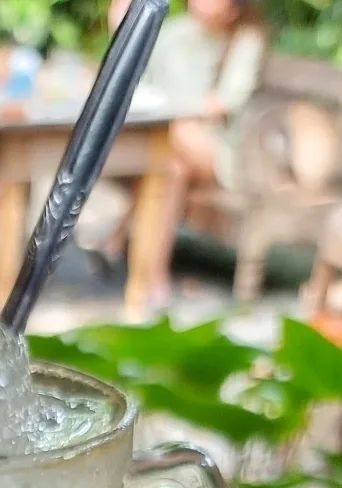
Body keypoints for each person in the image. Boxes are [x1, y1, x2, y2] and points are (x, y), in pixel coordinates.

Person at [89, 0, 266, 305]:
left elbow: (224, 102)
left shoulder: (245, 39)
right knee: (170, 169)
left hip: (220, 150)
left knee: (171, 136)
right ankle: (151, 275)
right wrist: (122, 28)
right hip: (176, 147)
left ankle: (118, 243)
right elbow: (142, 75)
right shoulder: (175, 33)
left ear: (234, 8)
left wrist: (175, 113)